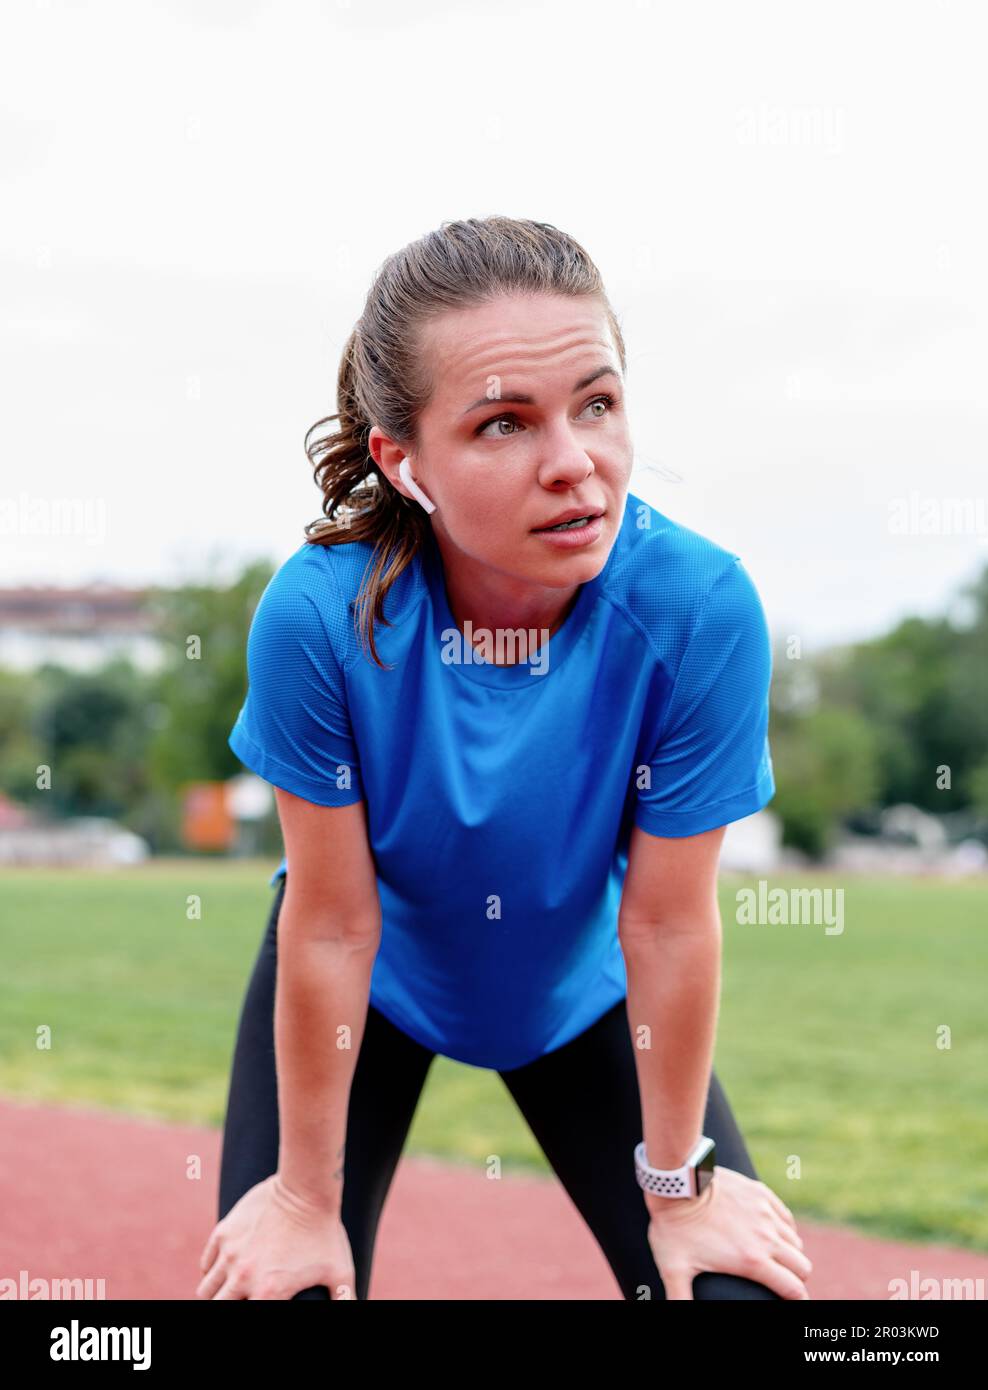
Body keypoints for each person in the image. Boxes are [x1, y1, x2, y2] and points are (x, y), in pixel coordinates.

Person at [198, 216, 812, 1302]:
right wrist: (301, 1199)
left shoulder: (699, 606)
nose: (574, 463)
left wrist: (679, 1187)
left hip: (579, 987)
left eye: (597, 403)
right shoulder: (318, 616)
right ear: (403, 460)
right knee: (280, 1291)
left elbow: (667, 921)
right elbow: (334, 922)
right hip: (367, 977)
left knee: (727, 1294)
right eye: (501, 424)